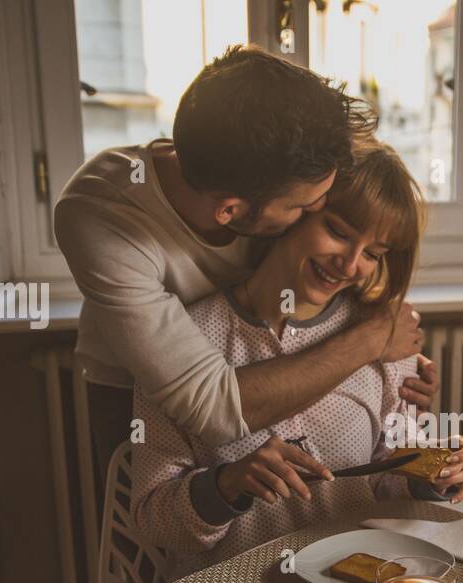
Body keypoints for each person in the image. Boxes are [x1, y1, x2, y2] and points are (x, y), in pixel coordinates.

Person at [54, 47, 439, 493]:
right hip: (141, 385)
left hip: (257, 351)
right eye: (303, 207)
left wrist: (390, 372)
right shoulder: (101, 215)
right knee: (152, 537)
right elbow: (215, 410)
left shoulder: (263, 146)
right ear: (230, 211)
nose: (317, 206)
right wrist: (370, 342)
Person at [130, 143, 463, 580]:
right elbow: (152, 518)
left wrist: (437, 468)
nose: (350, 264)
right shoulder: (181, 342)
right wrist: (226, 485)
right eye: (338, 231)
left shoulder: (387, 341)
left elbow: (391, 480)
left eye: (373, 253)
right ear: (293, 212)